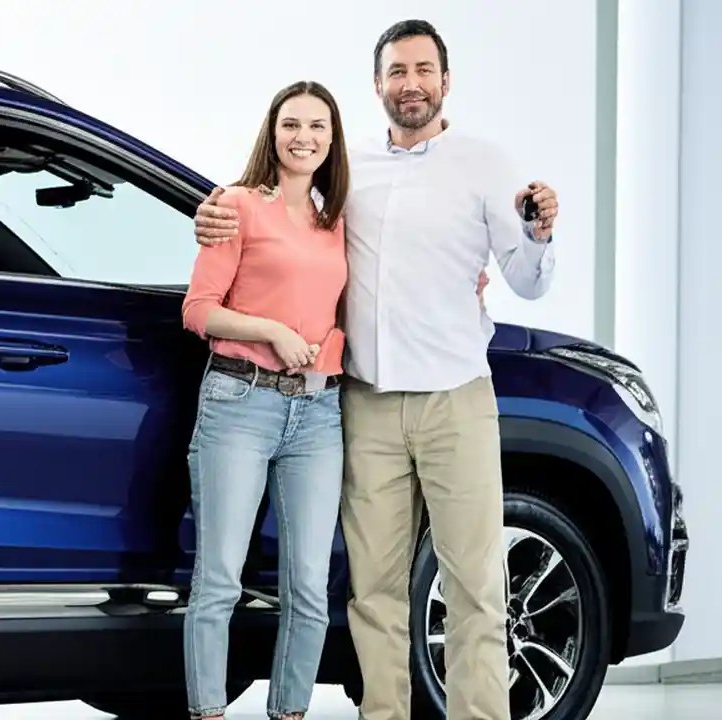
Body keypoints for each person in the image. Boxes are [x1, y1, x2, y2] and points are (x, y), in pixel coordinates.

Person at [191, 19, 559, 720]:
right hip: (363, 404)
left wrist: (540, 237)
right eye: (397, 71)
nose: (410, 84)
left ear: (445, 82)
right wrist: (211, 216)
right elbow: (280, 224)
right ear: (377, 85)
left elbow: (526, 279)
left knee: (475, 585)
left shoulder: (485, 163)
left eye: (423, 70)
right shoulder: (348, 171)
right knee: (374, 590)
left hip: (455, 399)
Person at [180, 79, 350, 720]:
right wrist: (273, 331)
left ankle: (291, 711)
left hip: (318, 412)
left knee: (310, 586)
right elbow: (199, 311)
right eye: (291, 125)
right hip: (239, 401)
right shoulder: (237, 206)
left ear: (333, 141)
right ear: (272, 133)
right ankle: (207, 712)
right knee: (219, 579)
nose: (304, 137)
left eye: (318, 127)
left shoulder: (339, 221)